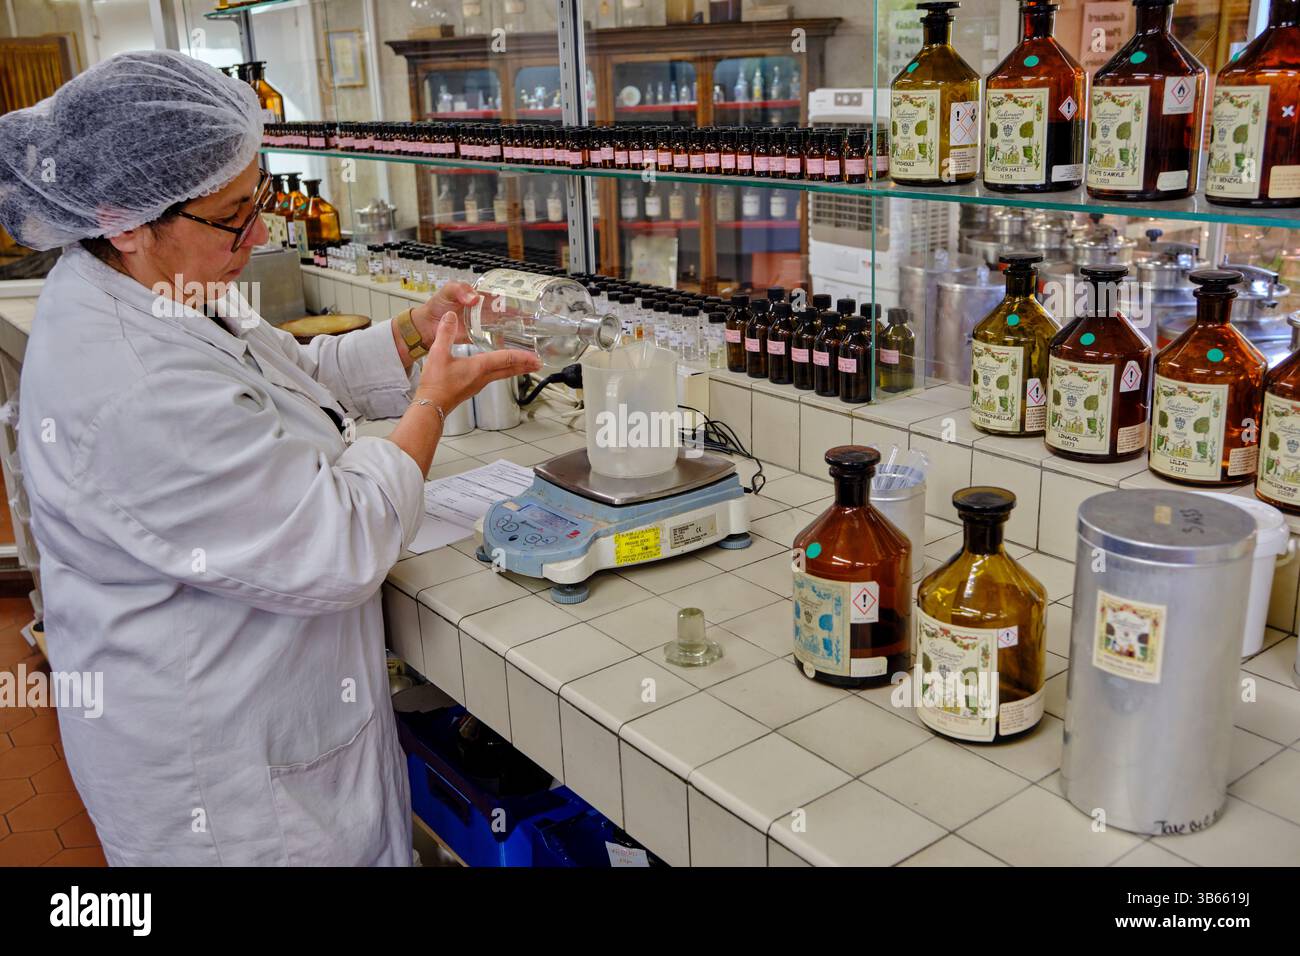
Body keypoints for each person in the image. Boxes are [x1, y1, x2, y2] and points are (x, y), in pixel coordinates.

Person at [0, 50, 540, 865]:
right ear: (124, 217)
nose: (259, 232)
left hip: (269, 717)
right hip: (222, 788)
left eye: (258, 199)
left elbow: (289, 377)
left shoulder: (158, 285)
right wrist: (432, 401)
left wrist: (409, 335)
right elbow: (341, 540)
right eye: (231, 216)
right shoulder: (130, 382)